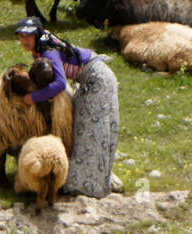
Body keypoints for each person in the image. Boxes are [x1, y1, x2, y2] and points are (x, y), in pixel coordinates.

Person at [14, 16, 120, 199]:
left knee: (91, 131)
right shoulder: (39, 49)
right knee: (81, 128)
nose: (25, 40)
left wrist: (33, 97)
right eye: (21, 36)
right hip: (87, 80)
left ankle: (88, 186)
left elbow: (60, 84)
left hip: (97, 80)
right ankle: (84, 180)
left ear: (37, 35)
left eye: (28, 36)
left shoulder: (48, 52)